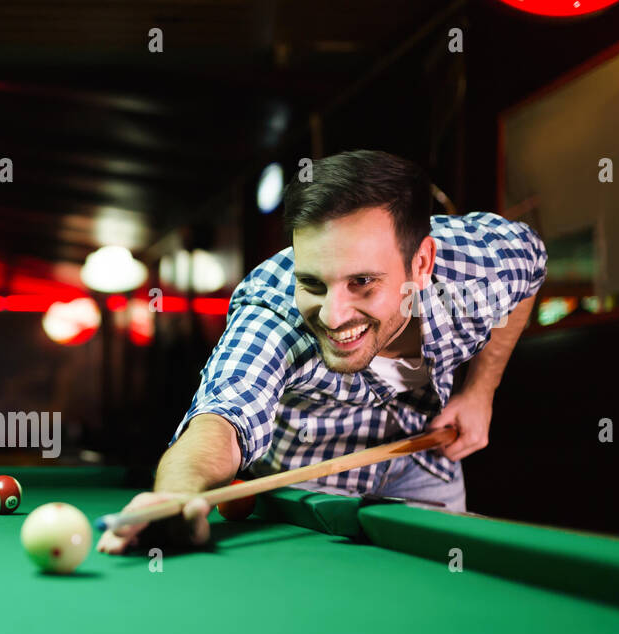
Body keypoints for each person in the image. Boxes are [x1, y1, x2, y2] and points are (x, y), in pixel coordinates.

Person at [98, 150, 546, 554]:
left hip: (426, 466)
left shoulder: (474, 273)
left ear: (422, 264)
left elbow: (533, 260)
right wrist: (176, 497)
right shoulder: (272, 313)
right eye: (312, 283)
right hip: (309, 498)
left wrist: (480, 391)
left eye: (362, 282)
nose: (332, 316)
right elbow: (221, 418)